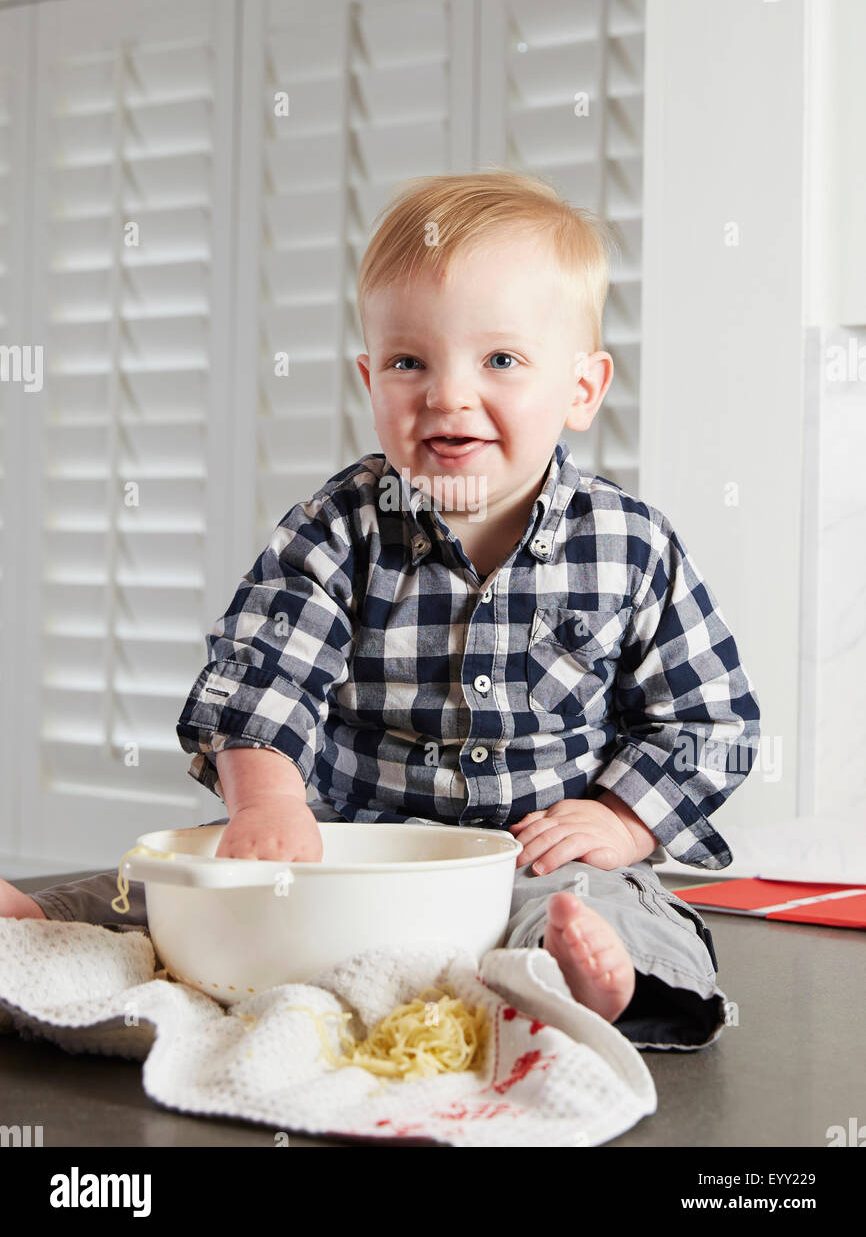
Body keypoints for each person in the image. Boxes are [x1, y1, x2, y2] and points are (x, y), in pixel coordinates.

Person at [1, 170, 760, 1049]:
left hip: (530, 868)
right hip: (340, 857)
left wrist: (623, 820)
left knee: (606, 906)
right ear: (370, 378)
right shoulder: (342, 526)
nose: (447, 395)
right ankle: (43, 926)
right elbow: (261, 671)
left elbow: (711, 721)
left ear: (583, 389)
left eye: (501, 360)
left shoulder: (632, 546)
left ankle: (590, 983)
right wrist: (269, 804)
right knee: (184, 882)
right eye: (409, 362)